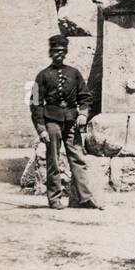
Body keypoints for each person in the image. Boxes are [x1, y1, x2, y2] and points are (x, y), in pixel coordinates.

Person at [30, 34, 100, 211]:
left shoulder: (74, 74)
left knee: (77, 158)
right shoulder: (42, 76)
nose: (58, 54)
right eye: (55, 51)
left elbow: (85, 96)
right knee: (53, 160)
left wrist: (83, 114)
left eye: (61, 51)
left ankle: (85, 198)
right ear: (50, 53)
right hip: (51, 121)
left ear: (66, 52)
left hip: (71, 121)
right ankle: (54, 199)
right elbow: (35, 104)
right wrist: (41, 129)